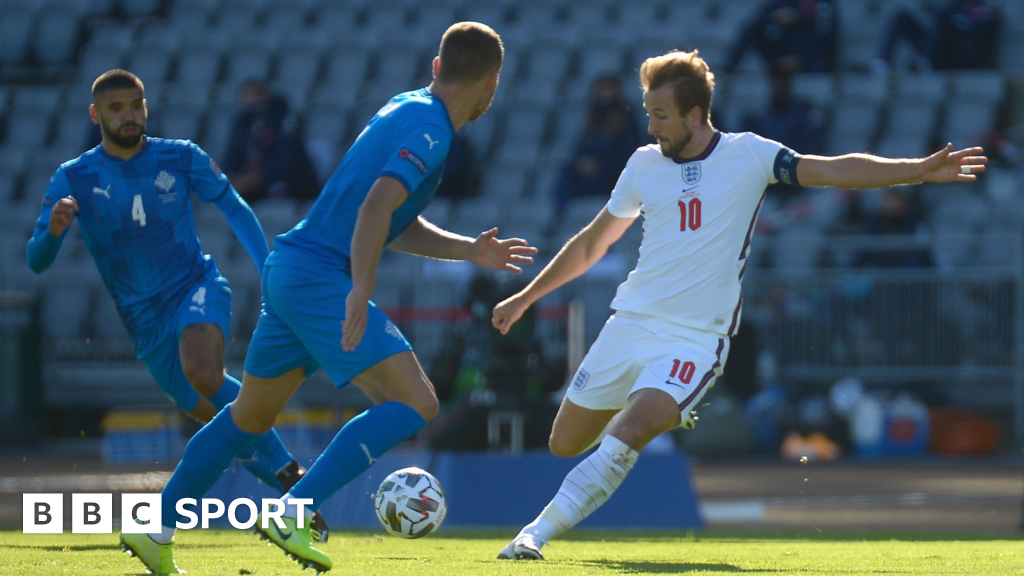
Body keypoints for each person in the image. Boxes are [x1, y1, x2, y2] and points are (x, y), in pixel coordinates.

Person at [491, 48, 987, 560]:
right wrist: (529, 295)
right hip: (630, 324)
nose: (651, 125)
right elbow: (593, 243)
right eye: (648, 113)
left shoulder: (749, 154)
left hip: (695, 339)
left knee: (630, 429)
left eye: (660, 115)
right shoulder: (642, 164)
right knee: (565, 443)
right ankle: (659, 401)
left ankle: (534, 535)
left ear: (694, 115)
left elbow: (833, 170)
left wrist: (915, 171)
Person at [121, 22, 535, 574]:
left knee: (247, 416)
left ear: (437, 68)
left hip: (291, 268)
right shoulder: (432, 130)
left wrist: (468, 252)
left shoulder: (407, 105)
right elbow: (373, 211)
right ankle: (293, 511)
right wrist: (359, 292)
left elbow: (391, 217)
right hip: (321, 278)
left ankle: (155, 527)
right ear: (493, 82)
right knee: (417, 402)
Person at [27, 70, 325, 546]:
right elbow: (36, 262)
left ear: (146, 107)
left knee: (205, 373)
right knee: (221, 421)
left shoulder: (181, 156)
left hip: (196, 287)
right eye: (116, 108)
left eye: (136, 105)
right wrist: (53, 232)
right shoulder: (74, 177)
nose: (129, 115)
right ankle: (295, 503)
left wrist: (269, 269)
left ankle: (291, 475)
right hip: (144, 326)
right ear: (95, 115)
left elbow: (235, 208)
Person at [221, 80, 320, 203]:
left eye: (255, 95)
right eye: (246, 96)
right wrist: (232, 177)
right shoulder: (242, 123)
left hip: (286, 182)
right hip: (252, 184)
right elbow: (232, 155)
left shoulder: (284, 120)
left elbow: (290, 161)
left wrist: (260, 177)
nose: (250, 101)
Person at [555, 75, 641, 214]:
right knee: (567, 174)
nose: (605, 94)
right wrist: (583, 164)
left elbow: (629, 155)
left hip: (611, 175)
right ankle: (558, 216)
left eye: (609, 89)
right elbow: (580, 150)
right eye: (602, 90)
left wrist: (601, 166)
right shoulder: (591, 121)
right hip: (588, 175)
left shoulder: (626, 120)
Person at [873, 0, 1002, 74]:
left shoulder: (984, 10)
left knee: (943, 17)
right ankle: (882, 65)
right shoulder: (952, 5)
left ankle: (924, 62)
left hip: (956, 58)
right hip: (934, 50)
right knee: (901, 17)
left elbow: (978, 40)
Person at [723, 0, 838, 74]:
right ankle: (728, 71)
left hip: (812, 62)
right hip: (782, 57)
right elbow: (755, 24)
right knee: (752, 32)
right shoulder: (784, 3)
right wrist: (773, 18)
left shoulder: (825, 6)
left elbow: (825, 42)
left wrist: (802, 61)